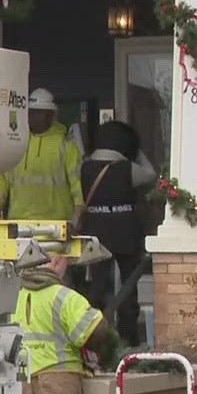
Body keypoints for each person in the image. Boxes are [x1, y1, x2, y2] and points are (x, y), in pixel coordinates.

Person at [12, 244, 114, 394]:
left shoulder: (13, 295)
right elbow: (96, 333)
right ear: (57, 262)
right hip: (59, 378)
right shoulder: (65, 297)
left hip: (22, 380)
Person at [77, 119, 156, 347]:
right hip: (125, 232)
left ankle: (95, 337)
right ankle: (128, 336)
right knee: (129, 284)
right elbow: (150, 174)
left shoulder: (84, 167)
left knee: (98, 286)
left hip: (96, 232)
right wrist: (136, 150)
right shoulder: (127, 169)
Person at [0, 88, 83, 222]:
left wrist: (77, 216)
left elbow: (77, 184)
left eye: (39, 113)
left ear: (51, 115)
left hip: (57, 225)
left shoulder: (66, 146)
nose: (33, 117)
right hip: (19, 223)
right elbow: (1, 179)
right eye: (31, 113)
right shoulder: (17, 143)